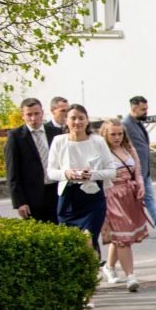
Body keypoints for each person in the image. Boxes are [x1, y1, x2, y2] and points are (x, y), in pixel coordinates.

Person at [46, 104, 113, 255]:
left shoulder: (98, 141)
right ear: (66, 121)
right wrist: (67, 173)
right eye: (73, 118)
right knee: (72, 245)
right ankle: (88, 269)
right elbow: (51, 172)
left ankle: (90, 270)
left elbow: (111, 171)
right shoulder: (58, 141)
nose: (77, 122)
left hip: (92, 197)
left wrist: (92, 175)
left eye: (81, 118)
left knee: (87, 240)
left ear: (87, 120)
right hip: (68, 198)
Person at [99, 118, 150, 291]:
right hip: (112, 195)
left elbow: (138, 173)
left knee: (121, 235)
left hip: (130, 194)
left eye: (120, 133)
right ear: (105, 134)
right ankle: (131, 276)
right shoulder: (102, 152)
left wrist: (141, 187)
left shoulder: (129, 149)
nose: (117, 137)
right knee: (123, 238)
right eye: (113, 134)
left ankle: (110, 267)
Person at [4, 97, 61, 223]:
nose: (33, 118)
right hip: (32, 198)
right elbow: (12, 172)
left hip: (56, 192)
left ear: (42, 112)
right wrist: (20, 202)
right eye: (29, 115)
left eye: (37, 113)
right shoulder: (16, 137)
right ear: (22, 116)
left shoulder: (56, 133)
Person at [122, 95, 156, 233]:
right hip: (133, 171)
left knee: (148, 198)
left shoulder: (138, 123)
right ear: (134, 108)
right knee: (137, 200)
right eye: (143, 109)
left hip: (143, 170)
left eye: (146, 108)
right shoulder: (125, 124)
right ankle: (155, 225)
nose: (146, 112)